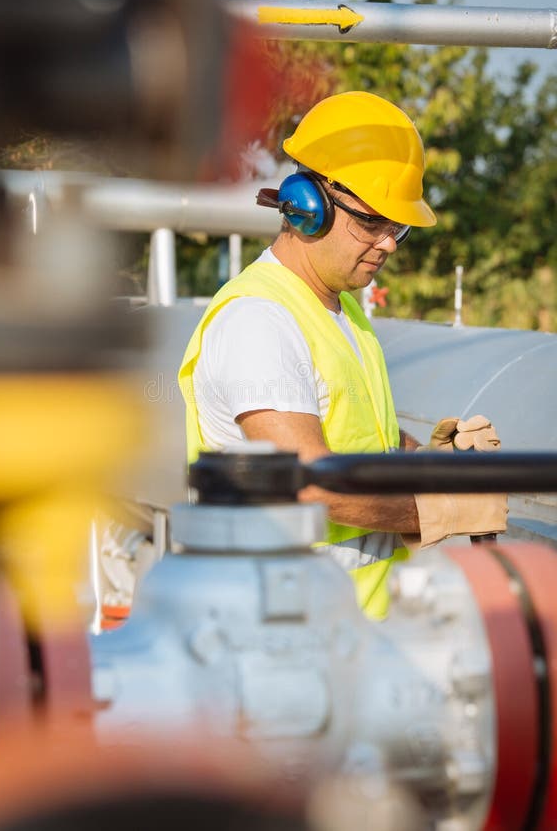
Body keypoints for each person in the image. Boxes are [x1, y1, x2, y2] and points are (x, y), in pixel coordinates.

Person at [178, 90, 507, 620]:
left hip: (344, 641)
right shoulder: (259, 320)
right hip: (273, 639)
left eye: (396, 228)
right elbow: (309, 483)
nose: (390, 245)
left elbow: (355, 437)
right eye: (372, 223)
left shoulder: (345, 314)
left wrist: (426, 463)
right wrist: (438, 510)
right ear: (309, 206)